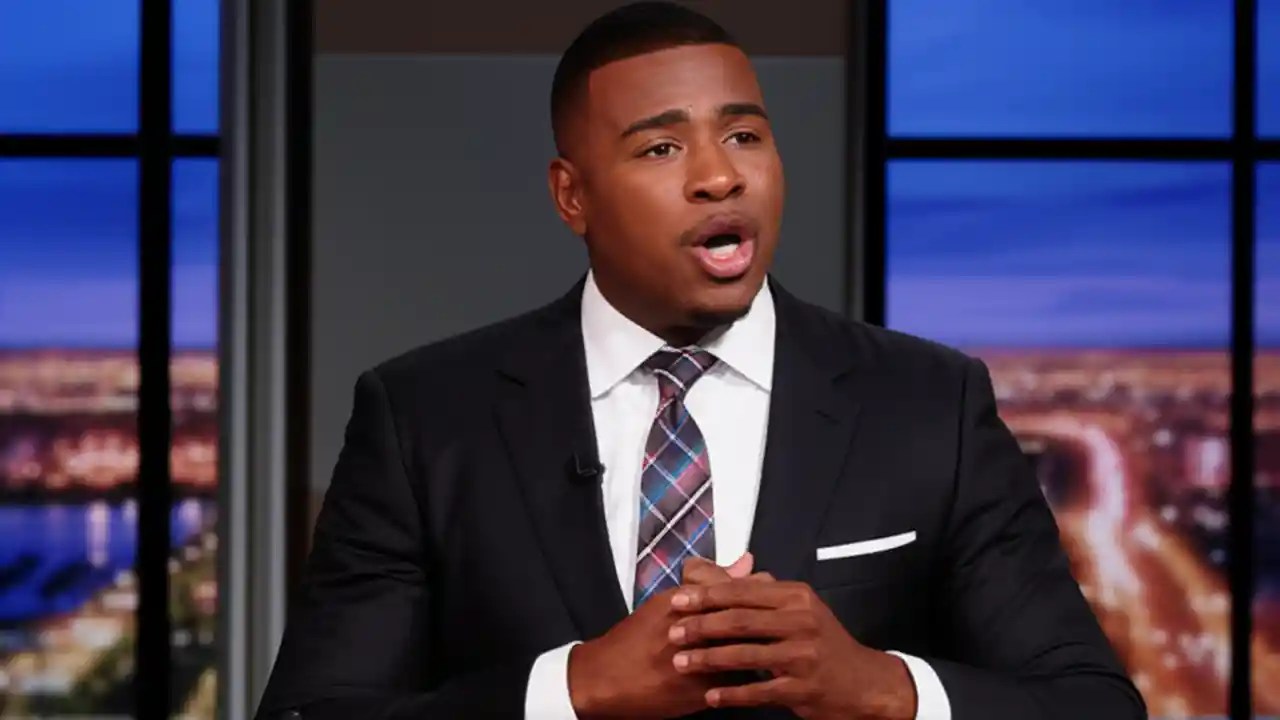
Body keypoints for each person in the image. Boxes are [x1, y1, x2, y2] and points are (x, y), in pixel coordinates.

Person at [255, 3, 1146, 719]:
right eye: (662, 147)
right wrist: (570, 692)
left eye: (745, 136)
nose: (720, 177)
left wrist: (883, 691)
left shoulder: (929, 404)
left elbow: (1090, 705)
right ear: (573, 195)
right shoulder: (424, 417)